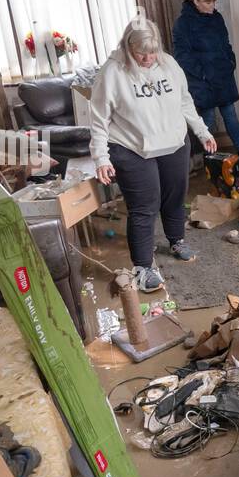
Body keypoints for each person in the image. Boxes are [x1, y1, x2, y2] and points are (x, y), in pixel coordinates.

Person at [90, 17, 217, 291]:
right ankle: (143, 268)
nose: (148, 58)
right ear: (128, 47)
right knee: (144, 206)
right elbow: (99, 118)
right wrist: (101, 157)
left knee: (174, 196)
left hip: (172, 142)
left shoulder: (169, 64)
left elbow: (185, 101)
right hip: (131, 146)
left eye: (153, 51)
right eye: (141, 53)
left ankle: (176, 240)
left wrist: (203, 132)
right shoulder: (112, 72)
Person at [172, 0, 239, 244]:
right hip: (203, 80)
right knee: (206, 123)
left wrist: (231, 61)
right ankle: (211, 165)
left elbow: (226, 43)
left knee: (231, 118)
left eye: (213, 1)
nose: (211, 6)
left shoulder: (217, 18)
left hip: (222, 75)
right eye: (207, 2)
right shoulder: (184, 23)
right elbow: (181, 55)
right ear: (195, 0)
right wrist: (203, 73)